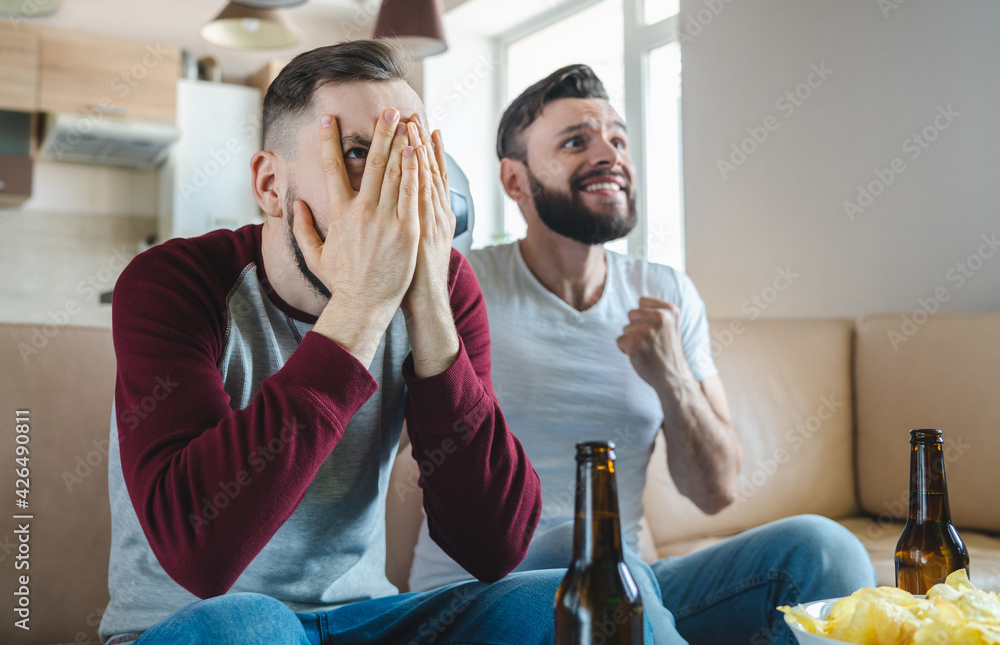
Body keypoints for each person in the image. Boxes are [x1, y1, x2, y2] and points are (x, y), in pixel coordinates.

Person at [98, 40, 564, 645]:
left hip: (364, 618)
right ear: (270, 186)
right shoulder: (173, 282)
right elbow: (199, 555)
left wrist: (426, 300)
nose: (391, 192)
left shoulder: (445, 286)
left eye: (410, 159)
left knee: (555, 601)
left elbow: (494, 546)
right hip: (200, 623)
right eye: (356, 155)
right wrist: (361, 306)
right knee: (249, 624)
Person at [407, 64, 877, 644]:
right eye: (576, 141)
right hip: (480, 593)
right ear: (515, 180)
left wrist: (672, 377)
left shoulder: (667, 292)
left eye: (619, 139)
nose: (610, 154)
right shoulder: (460, 285)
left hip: (630, 585)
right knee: (607, 567)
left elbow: (716, 491)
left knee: (822, 551)